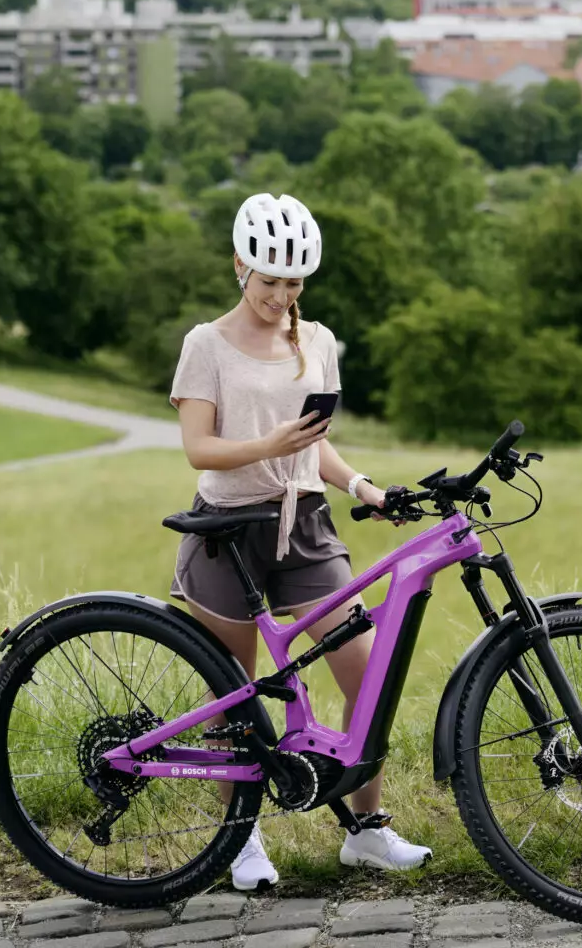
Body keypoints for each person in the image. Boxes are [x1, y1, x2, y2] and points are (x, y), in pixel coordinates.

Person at [169, 192, 432, 891]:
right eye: (268, 281)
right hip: (228, 531)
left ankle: (366, 831)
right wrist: (271, 442)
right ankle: (240, 840)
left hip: (306, 523)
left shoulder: (315, 341)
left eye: (293, 283)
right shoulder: (205, 344)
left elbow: (318, 447)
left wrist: (363, 486)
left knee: (365, 676)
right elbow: (199, 449)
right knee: (235, 701)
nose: (280, 296)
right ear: (239, 267)